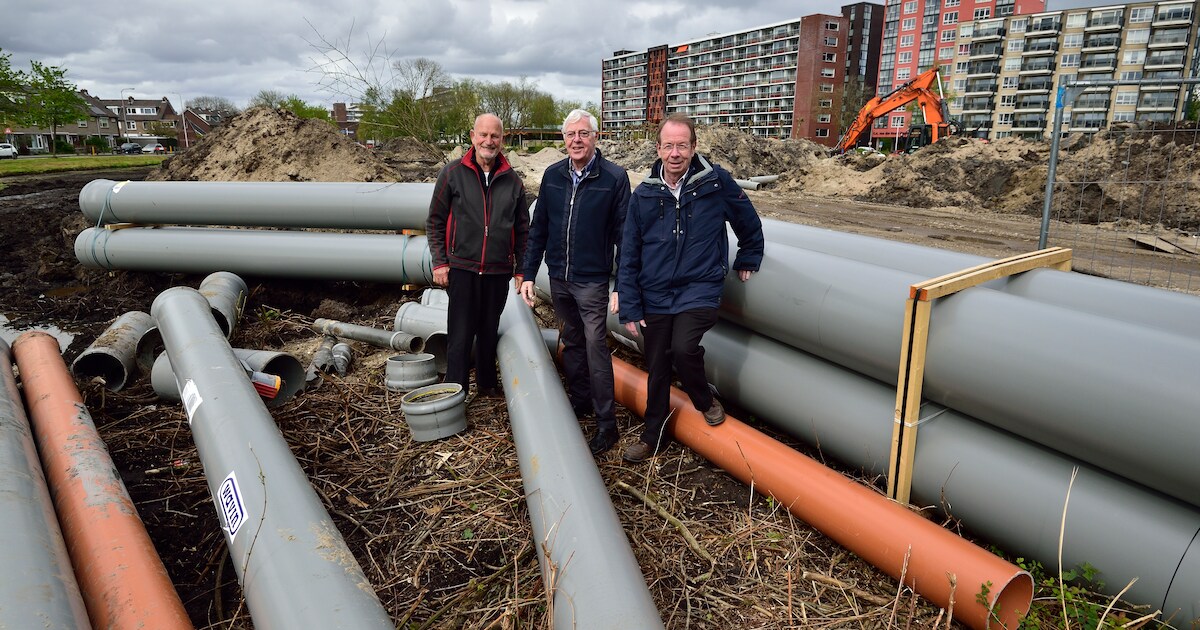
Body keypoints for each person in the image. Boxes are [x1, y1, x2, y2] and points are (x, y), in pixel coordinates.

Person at [616, 113, 764, 463]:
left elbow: (748, 220)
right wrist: (630, 305)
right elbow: (630, 251)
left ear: (694, 147)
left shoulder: (715, 183)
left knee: (682, 349)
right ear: (658, 149)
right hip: (655, 292)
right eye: (669, 145)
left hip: (699, 286)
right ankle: (653, 436)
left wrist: (748, 256)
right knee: (656, 363)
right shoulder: (645, 194)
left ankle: (703, 399)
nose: (675, 152)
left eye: (682, 145)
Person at [521, 109, 630, 456]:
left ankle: (606, 424)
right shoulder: (553, 176)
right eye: (571, 134)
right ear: (563, 138)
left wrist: (624, 284)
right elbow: (538, 230)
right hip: (559, 278)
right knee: (571, 339)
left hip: (592, 280)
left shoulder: (614, 178)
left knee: (596, 345)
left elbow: (624, 237)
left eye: (584, 133)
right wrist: (527, 274)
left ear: (595, 137)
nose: (577, 140)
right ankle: (580, 400)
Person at [427, 113, 530, 397]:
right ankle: (456, 391)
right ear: (472, 136)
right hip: (462, 268)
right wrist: (439, 262)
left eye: (494, 136)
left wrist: (522, 270)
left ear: (502, 139)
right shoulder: (452, 173)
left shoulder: (513, 181)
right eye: (483, 135)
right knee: (459, 335)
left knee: (488, 331)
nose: (488, 141)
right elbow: (435, 220)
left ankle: (486, 385)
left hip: (497, 271)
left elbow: (523, 230)